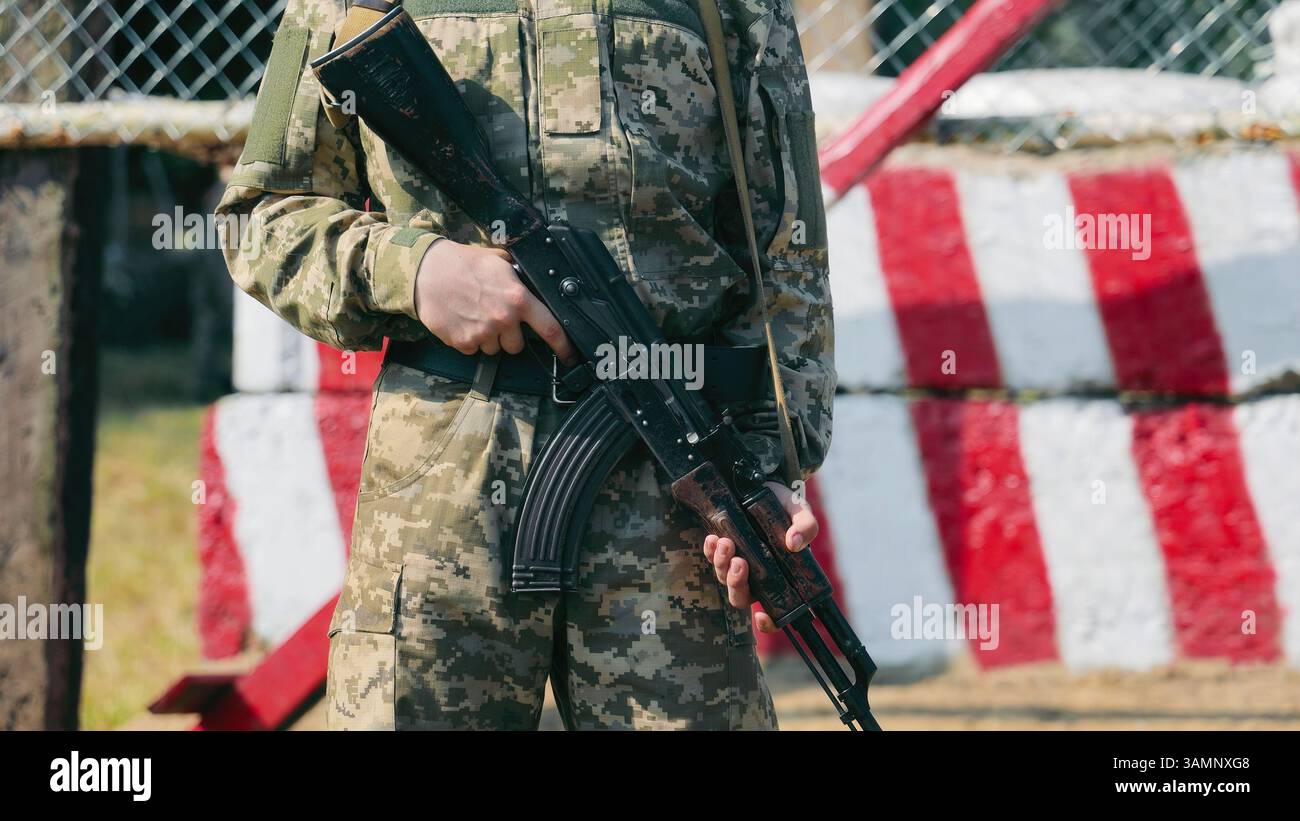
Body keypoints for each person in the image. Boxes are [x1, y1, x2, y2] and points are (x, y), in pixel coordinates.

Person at [217, 0, 834, 730]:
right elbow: (263, 219)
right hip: (442, 486)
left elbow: (787, 251)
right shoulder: (347, 6)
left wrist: (766, 467)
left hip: (671, 488)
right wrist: (415, 271)